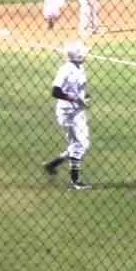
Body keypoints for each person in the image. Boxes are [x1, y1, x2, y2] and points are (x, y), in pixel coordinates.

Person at [42, 42, 94, 190]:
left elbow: (80, 89)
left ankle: (53, 164)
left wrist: (86, 97)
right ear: (76, 55)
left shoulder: (80, 67)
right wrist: (76, 98)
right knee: (79, 145)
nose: (85, 55)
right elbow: (55, 92)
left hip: (79, 111)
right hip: (67, 113)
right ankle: (75, 182)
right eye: (82, 53)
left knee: (82, 144)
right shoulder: (65, 70)